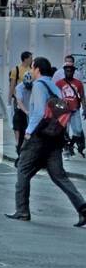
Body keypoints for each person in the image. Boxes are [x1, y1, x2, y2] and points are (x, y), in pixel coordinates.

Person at [7, 56, 86, 226]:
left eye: (32, 67)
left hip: (39, 136)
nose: (31, 70)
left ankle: (22, 211)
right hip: (55, 136)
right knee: (59, 176)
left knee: (23, 169)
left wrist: (28, 132)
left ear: (37, 69)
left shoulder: (38, 85)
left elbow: (39, 112)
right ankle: (83, 209)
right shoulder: (55, 86)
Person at [57, 61, 86, 158]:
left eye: (71, 71)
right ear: (64, 71)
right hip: (64, 112)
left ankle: (70, 145)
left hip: (75, 110)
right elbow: (55, 96)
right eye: (67, 71)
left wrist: (85, 108)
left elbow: (82, 97)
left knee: (77, 131)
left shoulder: (78, 83)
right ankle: (66, 150)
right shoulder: (59, 83)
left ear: (73, 72)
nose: (69, 72)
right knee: (64, 132)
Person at [12, 69, 32, 156]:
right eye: (27, 85)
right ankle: (18, 147)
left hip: (32, 110)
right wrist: (26, 111)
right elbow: (19, 102)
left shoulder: (35, 86)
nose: (28, 88)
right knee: (20, 127)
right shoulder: (19, 87)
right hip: (22, 110)